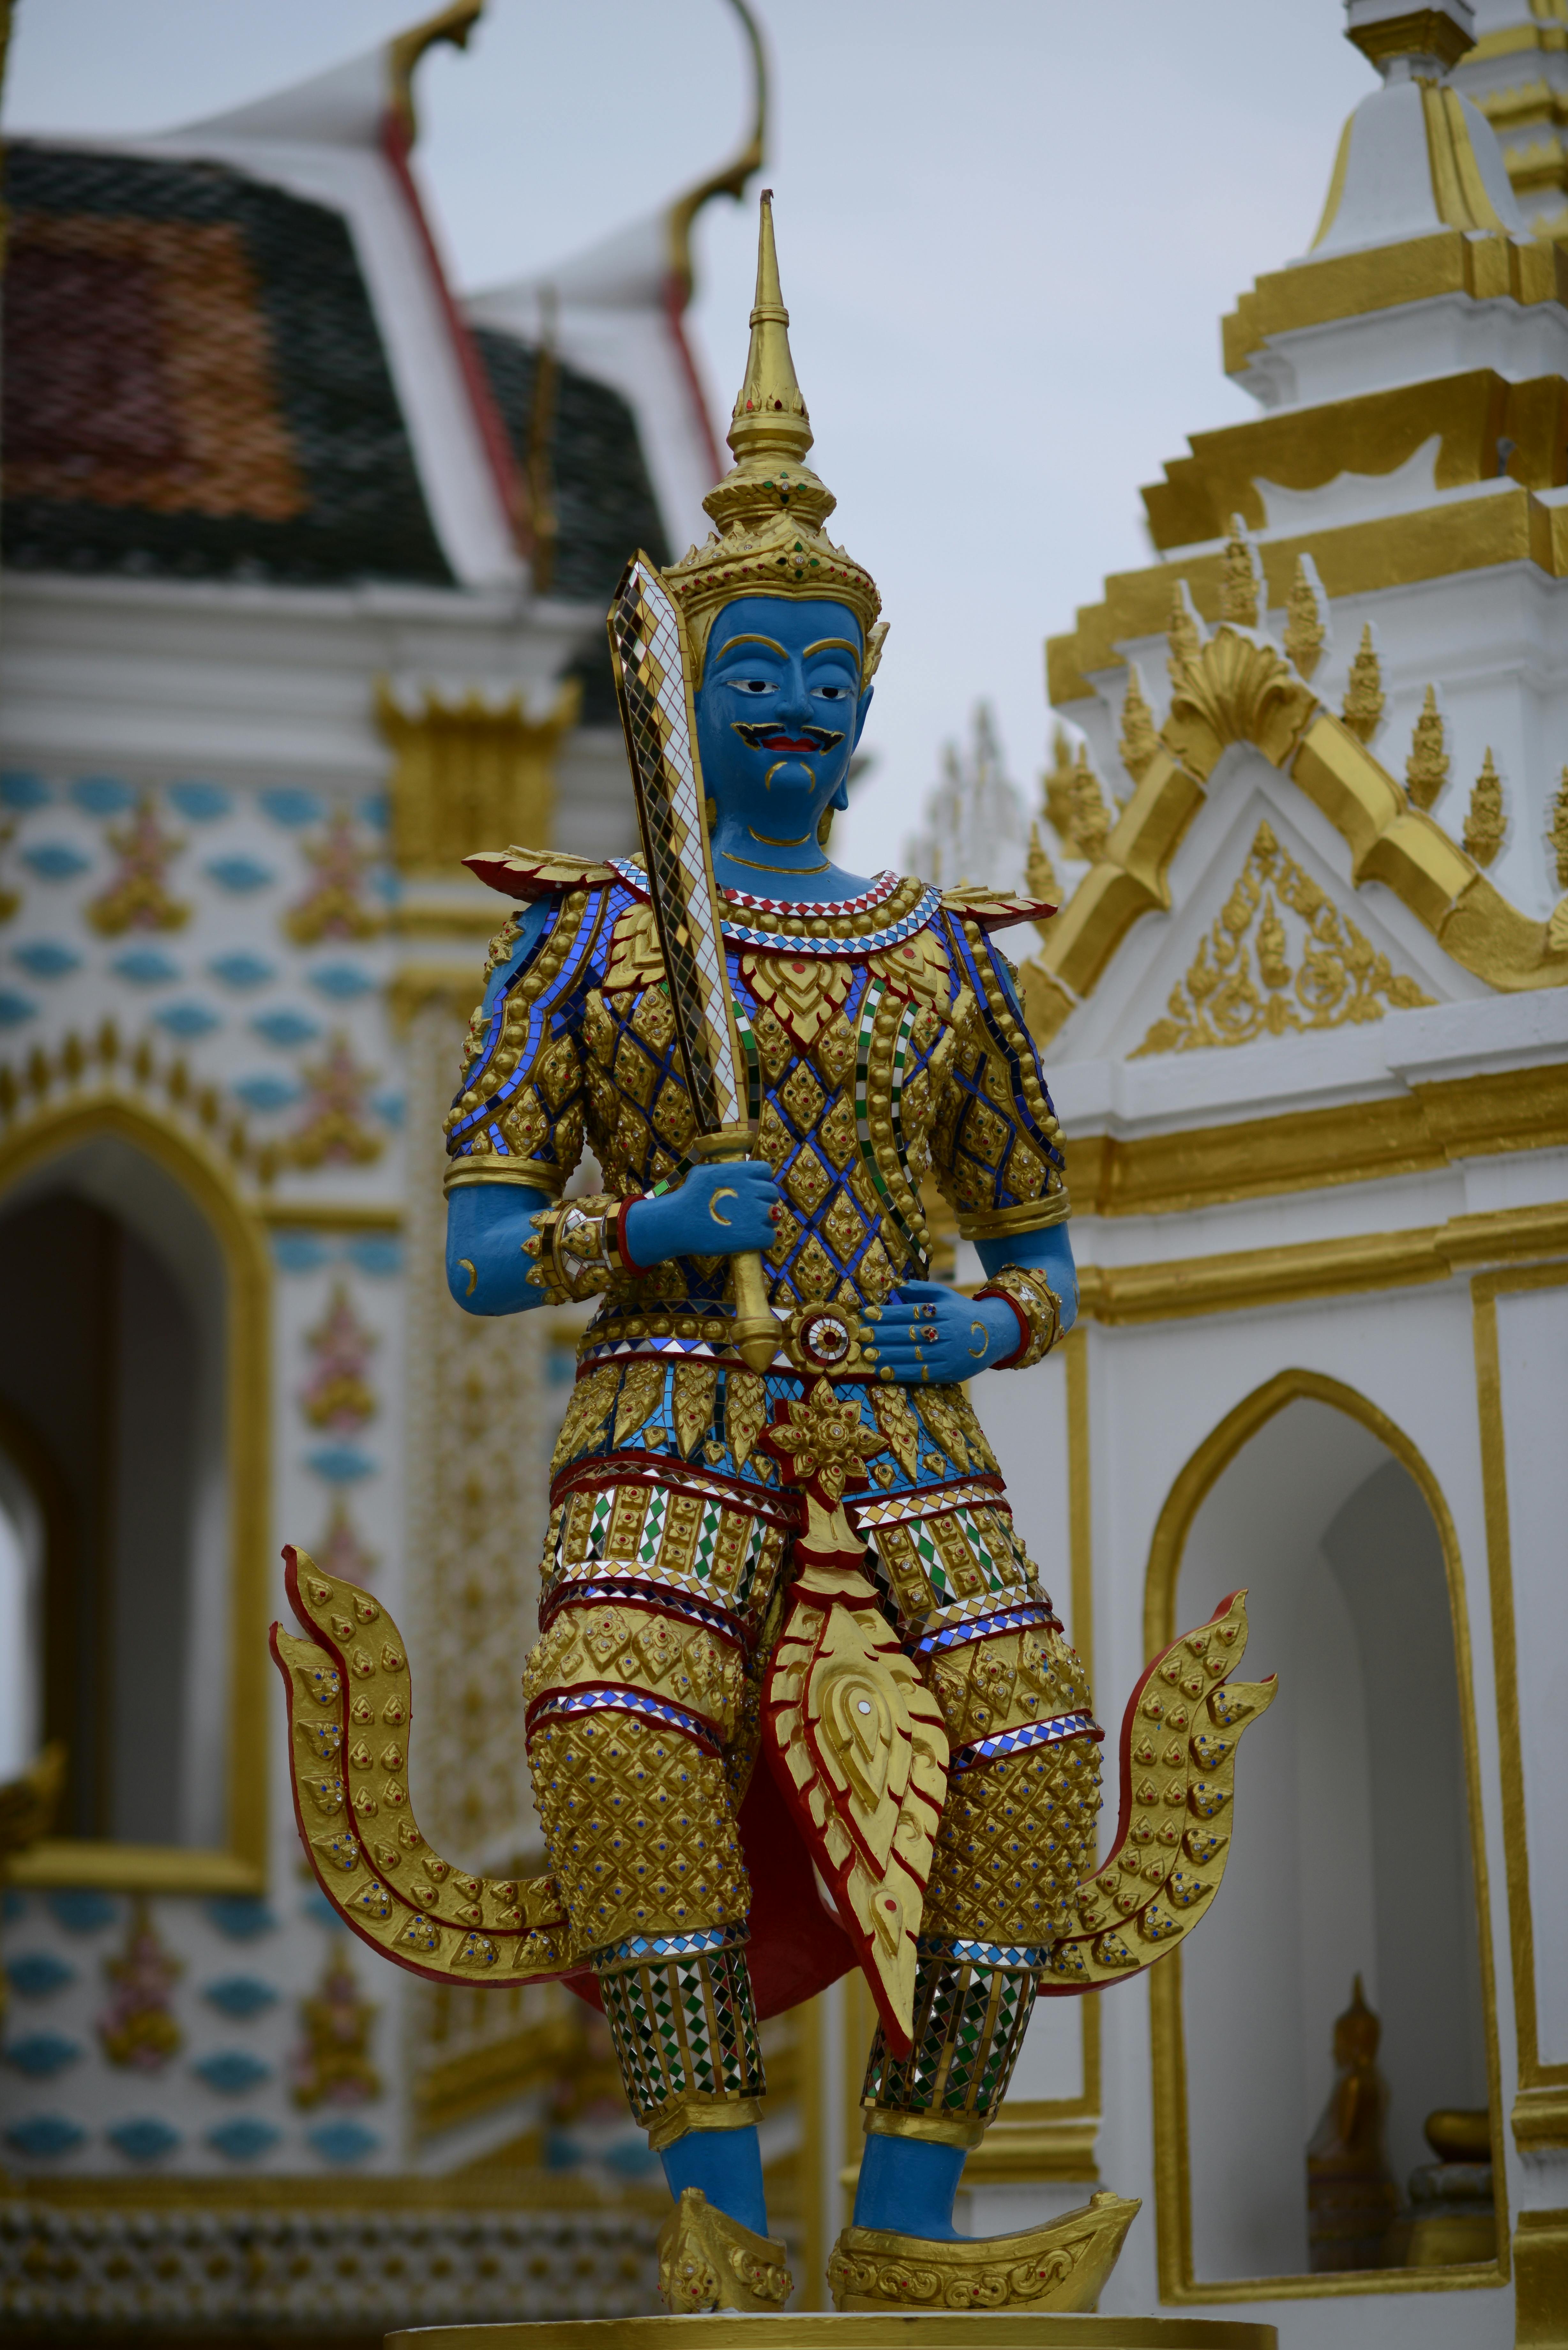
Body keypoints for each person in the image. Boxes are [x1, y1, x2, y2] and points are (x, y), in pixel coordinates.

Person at [443, 192, 1099, 2310]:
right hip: (670, 1410)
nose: (799, 707)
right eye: (759, 675)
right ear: (691, 688)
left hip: (903, 1427)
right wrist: (643, 1221)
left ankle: (911, 2214)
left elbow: (1049, 1248)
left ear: (875, 684)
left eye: (833, 672)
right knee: (616, 1726)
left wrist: (987, 1315)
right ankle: (717, 2212)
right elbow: (472, 1244)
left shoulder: (943, 952)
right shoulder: (597, 937)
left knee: (1029, 1746)